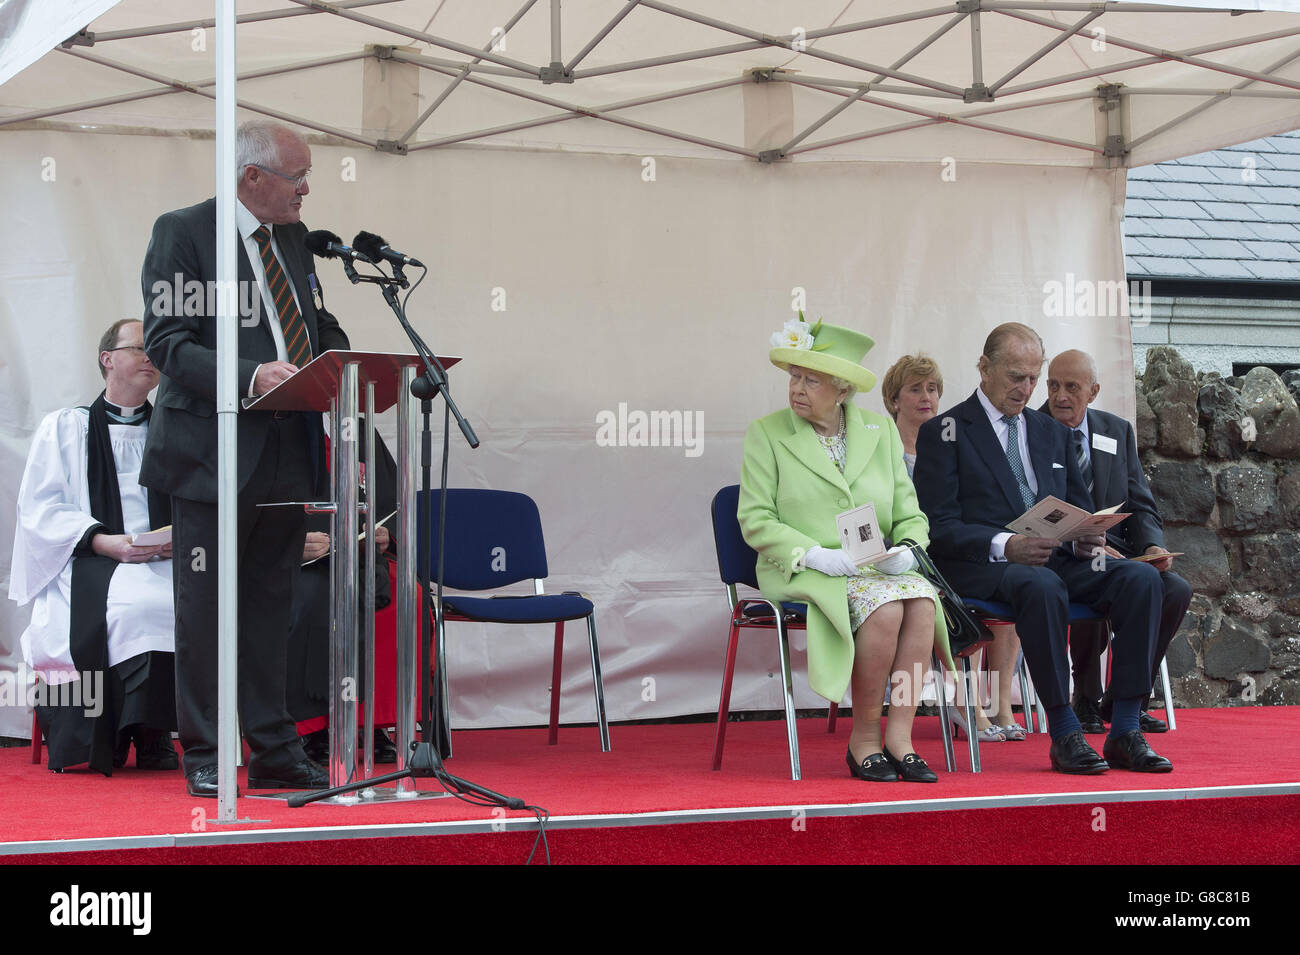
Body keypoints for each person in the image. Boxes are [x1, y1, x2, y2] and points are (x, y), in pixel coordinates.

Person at [140, 120, 349, 797]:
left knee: (270, 604)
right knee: (204, 608)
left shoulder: (293, 240)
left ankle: (274, 747)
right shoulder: (184, 231)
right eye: (297, 177)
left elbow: (315, 322)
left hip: (288, 449)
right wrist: (249, 375)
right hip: (211, 453)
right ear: (252, 177)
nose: (307, 189)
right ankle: (204, 748)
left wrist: (341, 359)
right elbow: (168, 343)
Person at [913, 323, 1173, 774]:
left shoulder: (1049, 431)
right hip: (981, 564)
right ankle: (1064, 730)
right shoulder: (945, 431)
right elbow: (937, 528)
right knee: (1041, 585)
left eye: (1034, 378)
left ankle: (1126, 729)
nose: (1027, 389)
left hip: (1055, 558)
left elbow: (1075, 503)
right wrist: (1006, 544)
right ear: (983, 366)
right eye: (1016, 376)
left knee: (1141, 578)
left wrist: (1087, 531)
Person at [739, 318, 948, 783]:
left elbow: (910, 513)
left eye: (810, 379)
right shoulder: (767, 433)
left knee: (921, 600)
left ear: (842, 389)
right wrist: (813, 554)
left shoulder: (880, 430)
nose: (796, 387)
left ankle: (901, 736)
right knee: (888, 607)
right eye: (794, 376)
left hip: (873, 564)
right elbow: (754, 520)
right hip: (803, 567)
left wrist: (910, 550)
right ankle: (865, 739)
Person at [9, 319, 178, 775]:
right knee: (138, 606)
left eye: (155, 349)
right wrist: (103, 541)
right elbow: (39, 507)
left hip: (164, 557)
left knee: (189, 601)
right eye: (140, 347)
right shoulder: (66, 427)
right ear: (108, 359)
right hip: (89, 557)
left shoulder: (172, 430)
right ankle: (125, 731)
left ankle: (154, 729)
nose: (150, 357)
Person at [1042, 349, 1190, 735]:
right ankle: (1086, 699)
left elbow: (1140, 503)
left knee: (1175, 588)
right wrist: (1085, 541)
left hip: (1118, 551)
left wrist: (1153, 547)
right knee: (1103, 574)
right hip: (1062, 553)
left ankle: (1126, 696)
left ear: (1093, 391)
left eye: (1072, 387)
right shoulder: (1032, 431)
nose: (1060, 396)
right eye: (1053, 385)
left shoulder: (1116, 430)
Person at [883, 354, 1020, 744]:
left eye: (933, 389)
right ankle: (967, 702)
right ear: (894, 400)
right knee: (957, 594)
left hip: (948, 547)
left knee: (1011, 583)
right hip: (905, 557)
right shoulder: (884, 447)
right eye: (915, 389)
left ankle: (1000, 703)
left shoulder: (952, 437)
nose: (927, 397)